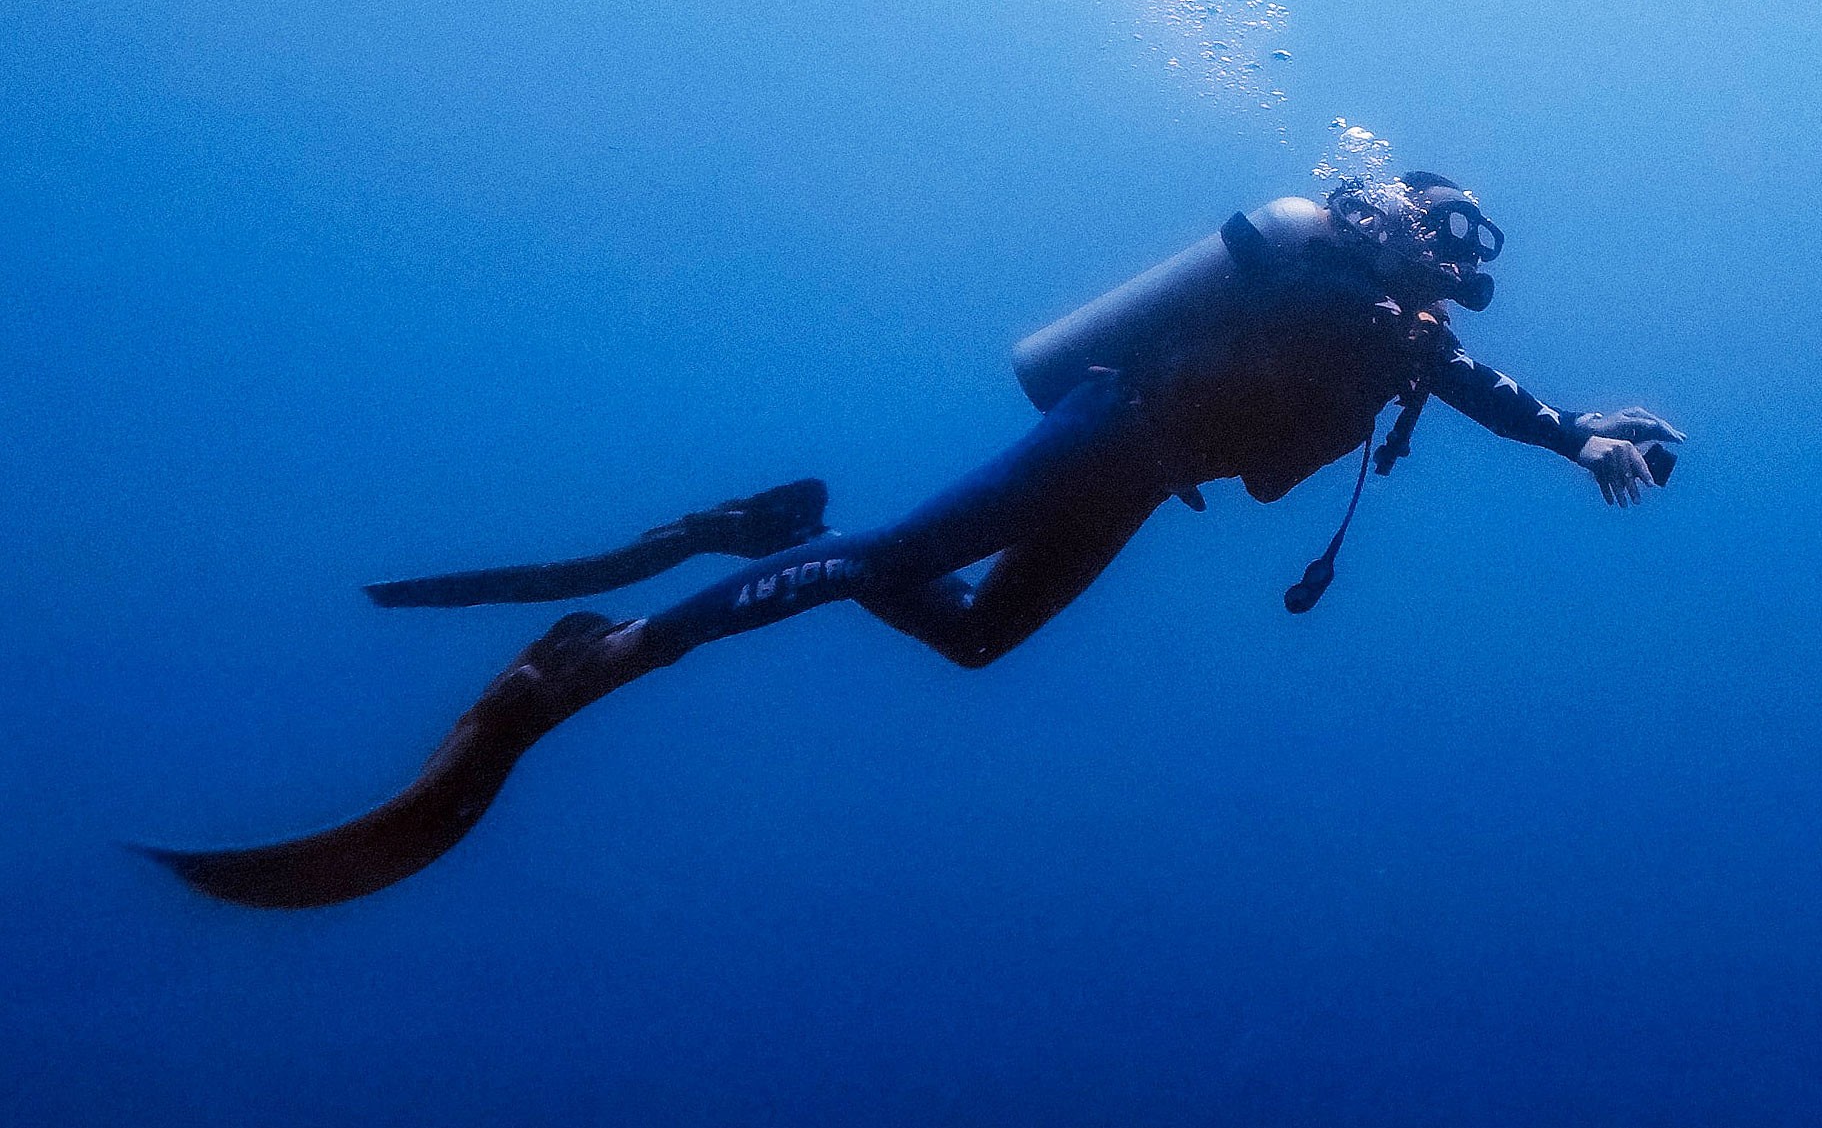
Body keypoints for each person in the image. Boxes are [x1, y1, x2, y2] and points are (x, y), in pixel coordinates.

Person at [146, 173, 1682, 909]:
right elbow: (1314, 293)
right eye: (1437, 228)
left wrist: (1581, 440)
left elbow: (1484, 388)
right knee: (893, 565)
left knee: (964, 637)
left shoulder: (1408, 331)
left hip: (1152, 482)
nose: (1448, 260)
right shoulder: (1327, 252)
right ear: (1397, 211)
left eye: (1456, 249)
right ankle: (578, 672)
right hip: (1111, 421)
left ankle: (778, 530)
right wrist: (1364, 253)